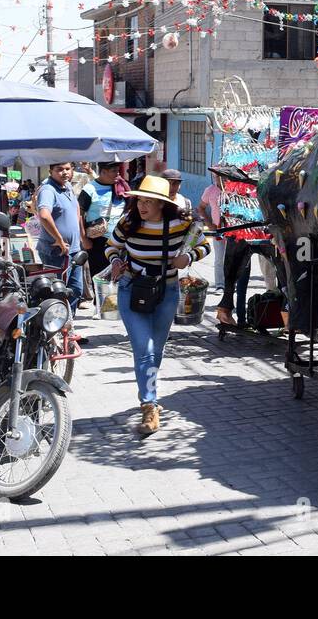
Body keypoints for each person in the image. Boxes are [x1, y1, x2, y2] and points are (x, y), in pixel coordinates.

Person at [106, 176, 211, 436]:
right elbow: (111, 247)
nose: (142, 206)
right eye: (140, 200)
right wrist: (117, 261)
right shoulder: (129, 222)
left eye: (149, 202)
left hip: (167, 290)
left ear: (163, 204)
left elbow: (204, 245)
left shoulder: (181, 223)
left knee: (157, 349)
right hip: (132, 290)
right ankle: (149, 405)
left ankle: (150, 393)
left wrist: (188, 256)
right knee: (145, 349)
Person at [35, 162, 86, 300]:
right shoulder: (48, 190)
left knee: (76, 291)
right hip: (57, 252)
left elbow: (76, 209)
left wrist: (80, 237)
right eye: (59, 169)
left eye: (67, 169)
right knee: (58, 293)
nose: (64, 172)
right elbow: (44, 215)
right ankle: (58, 321)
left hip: (73, 250)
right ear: (51, 171)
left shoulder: (68, 186)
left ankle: (69, 320)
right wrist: (59, 239)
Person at [78, 162, 126, 281]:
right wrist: (84, 239)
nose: (118, 174)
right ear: (103, 171)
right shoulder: (89, 189)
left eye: (118, 170)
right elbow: (79, 215)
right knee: (101, 278)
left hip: (119, 240)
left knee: (119, 278)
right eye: (114, 171)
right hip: (98, 241)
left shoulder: (121, 187)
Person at [198, 166, 228, 292]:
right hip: (218, 229)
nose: (219, 179)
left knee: (232, 257)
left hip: (234, 229)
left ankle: (231, 283)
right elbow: (200, 208)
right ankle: (220, 284)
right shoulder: (210, 190)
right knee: (219, 258)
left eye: (221, 176)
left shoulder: (234, 189)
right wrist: (210, 224)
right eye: (216, 176)